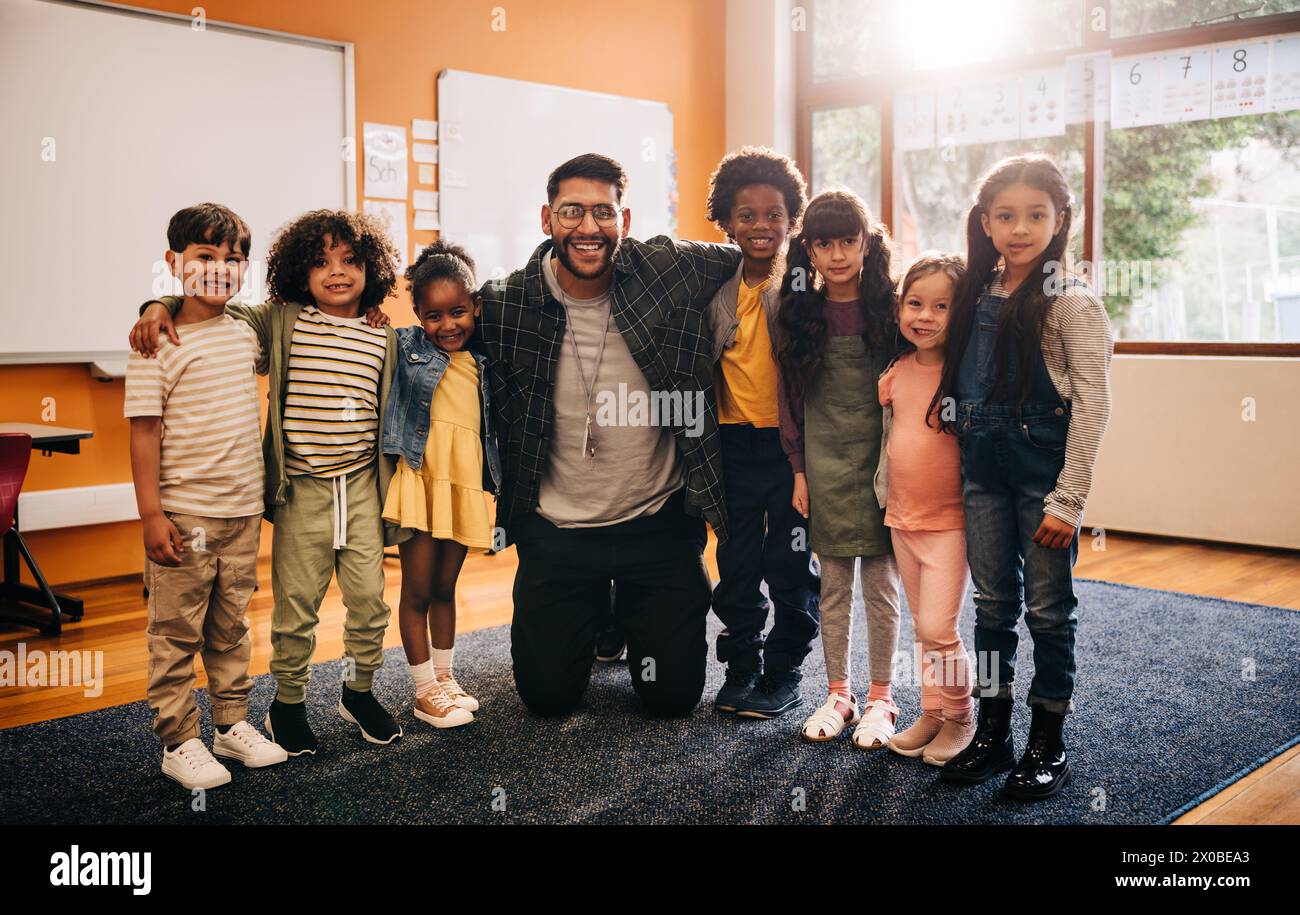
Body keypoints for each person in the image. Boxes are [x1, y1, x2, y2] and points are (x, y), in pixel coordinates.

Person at [130, 210, 406, 755]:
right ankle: (288, 703)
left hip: (362, 491)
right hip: (301, 490)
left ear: (371, 270)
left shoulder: (384, 335)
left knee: (370, 601)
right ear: (297, 272)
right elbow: (211, 309)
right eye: (321, 261)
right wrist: (155, 303)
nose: (337, 273)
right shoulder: (279, 321)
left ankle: (360, 690)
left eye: (351, 262)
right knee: (296, 604)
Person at [481, 153, 742, 718]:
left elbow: (751, 252)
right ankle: (598, 613)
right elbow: (440, 332)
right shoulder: (507, 304)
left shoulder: (666, 269)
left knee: (671, 699)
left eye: (604, 212)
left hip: (658, 525)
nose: (588, 227)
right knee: (547, 698)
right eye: (572, 211)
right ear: (547, 219)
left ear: (624, 222)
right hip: (558, 531)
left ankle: (628, 609)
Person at [937, 155, 1113, 801]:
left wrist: (1068, 501)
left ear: (1060, 220)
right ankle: (993, 733)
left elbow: (1094, 403)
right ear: (985, 222)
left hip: (1044, 479)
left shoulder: (1071, 300)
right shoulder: (975, 295)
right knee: (990, 609)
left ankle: (1048, 739)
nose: (1019, 228)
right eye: (1005, 215)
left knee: (1048, 611)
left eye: (1035, 215)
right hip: (982, 474)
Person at [125, 202, 287, 789]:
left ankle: (230, 724)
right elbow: (143, 432)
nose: (220, 268)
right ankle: (179, 740)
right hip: (185, 512)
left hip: (243, 510)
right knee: (174, 631)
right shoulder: (155, 342)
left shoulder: (246, 330)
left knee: (232, 626)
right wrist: (150, 514)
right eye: (204, 256)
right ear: (173, 261)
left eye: (233, 258)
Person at [776, 190, 904, 748]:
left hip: (886, 462)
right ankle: (838, 694)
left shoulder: (894, 307)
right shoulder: (797, 310)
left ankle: (881, 698)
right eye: (822, 243)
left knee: (881, 586)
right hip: (823, 462)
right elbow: (789, 398)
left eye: (847, 241)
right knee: (831, 587)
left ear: (866, 242)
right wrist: (798, 470)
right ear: (808, 249)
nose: (836, 254)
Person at [703, 147, 820, 719]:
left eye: (774, 214)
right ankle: (741, 663)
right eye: (745, 215)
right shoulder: (714, 286)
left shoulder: (803, 286)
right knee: (738, 562)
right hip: (731, 445)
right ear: (726, 220)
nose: (760, 226)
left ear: (791, 220)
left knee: (790, 563)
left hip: (790, 449)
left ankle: (784, 670)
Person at [382, 241, 501, 729]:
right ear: (417, 314)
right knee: (418, 589)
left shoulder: (484, 357)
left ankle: (446, 678)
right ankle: (424, 690)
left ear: (475, 306)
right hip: (422, 481)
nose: (447, 325)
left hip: (462, 483)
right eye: (434, 315)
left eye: (458, 311)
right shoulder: (407, 346)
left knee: (447, 589)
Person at [876, 252, 976, 766]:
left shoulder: (966, 374)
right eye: (915, 303)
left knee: (940, 629)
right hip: (902, 517)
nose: (925, 316)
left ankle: (961, 717)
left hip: (949, 522)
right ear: (899, 308)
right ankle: (933, 713)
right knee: (922, 627)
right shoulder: (896, 371)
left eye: (941, 306)